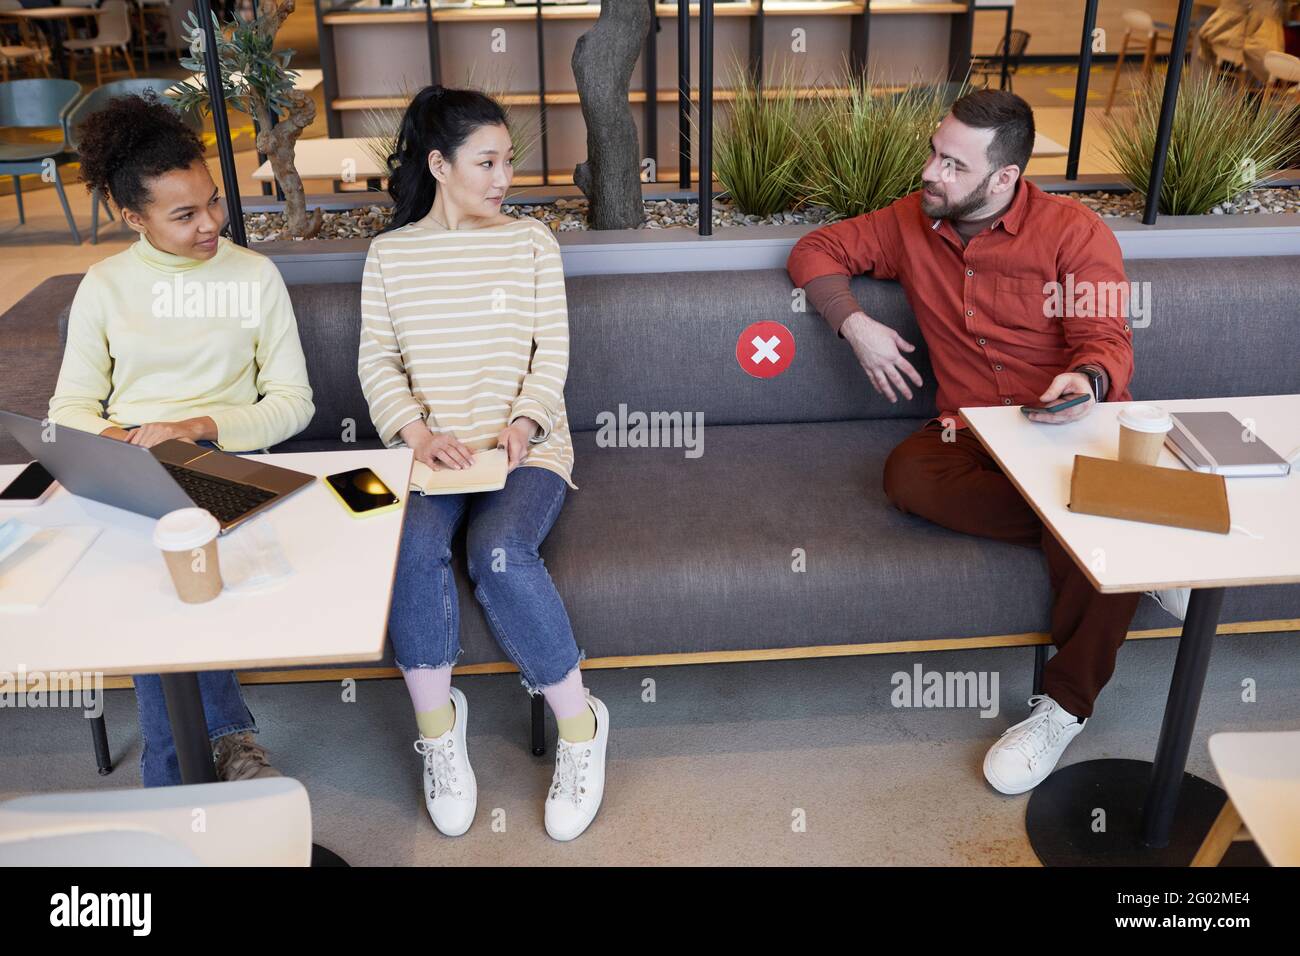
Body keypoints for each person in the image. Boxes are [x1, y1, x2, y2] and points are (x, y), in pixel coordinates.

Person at [787, 89, 1163, 795]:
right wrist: (854, 325)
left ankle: (1062, 707)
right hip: (972, 435)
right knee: (909, 475)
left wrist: (1084, 380)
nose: (930, 171)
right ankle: (1118, 532)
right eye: (934, 152)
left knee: (1100, 537)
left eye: (952, 164)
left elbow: (1106, 339)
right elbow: (816, 249)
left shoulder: (1074, 232)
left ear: (1004, 180)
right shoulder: (911, 219)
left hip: (1067, 430)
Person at [359, 85, 608, 842]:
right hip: (434, 454)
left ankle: (582, 729)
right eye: (488, 162)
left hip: (522, 446)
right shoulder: (390, 255)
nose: (506, 179)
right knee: (412, 547)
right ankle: (439, 733)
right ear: (439, 165)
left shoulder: (532, 242)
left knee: (497, 551)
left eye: (509, 161)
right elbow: (379, 361)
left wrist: (526, 423)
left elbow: (551, 352)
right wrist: (414, 433)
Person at [48, 91, 315, 786]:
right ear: (132, 217)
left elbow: (292, 406)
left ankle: (172, 775)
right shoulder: (104, 286)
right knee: (152, 568)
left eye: (214, 202)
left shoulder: (254, 275)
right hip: (133, 465)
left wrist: (196, 427)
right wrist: (126, 439)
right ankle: (224, 745)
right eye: (186, 214)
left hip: (227, 464)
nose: (212, 224)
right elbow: (68, 407)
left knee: (175, 558)